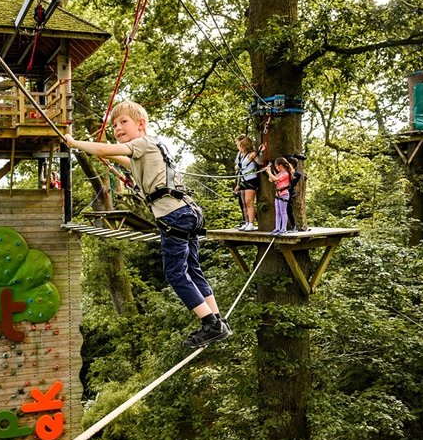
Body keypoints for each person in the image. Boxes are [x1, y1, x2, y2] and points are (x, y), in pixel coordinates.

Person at [63, 101, 231, 349]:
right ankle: (218, 320)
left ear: (141, 124)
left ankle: (210, 324)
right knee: (193, 271)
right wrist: (98, 152)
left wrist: (75, 143)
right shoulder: (153, 149)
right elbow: (123, 160)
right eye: (114, 125)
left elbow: (110, 149)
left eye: (123, 123)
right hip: (187, 213)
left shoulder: (142, 143)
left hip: (174, 216)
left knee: (176, 274)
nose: (118, 129)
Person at [233, 134, 261, 231]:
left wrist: (261, 152)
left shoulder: (251, 154)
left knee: (249, 202)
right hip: (243, 180)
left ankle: (251, 223)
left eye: (238, 145)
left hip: (251, 179)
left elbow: (260, 161)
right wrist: (238, 184)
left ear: (243, 145)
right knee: (244, 203)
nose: (238, 147)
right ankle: (247, 221)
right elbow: (238, 169)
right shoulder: (241, 156)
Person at [264, 157, 294, 235]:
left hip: (284, 194)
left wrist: (269, 172)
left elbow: (274, 178)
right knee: (277, 212)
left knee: (283, 212)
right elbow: (271, 179)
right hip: (278, 195)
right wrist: (269, 173)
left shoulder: (285, 174)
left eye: (277, 166)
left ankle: (283, 228)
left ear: (281, 165)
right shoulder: (280, 174)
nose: (276, 168)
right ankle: (277, 227)